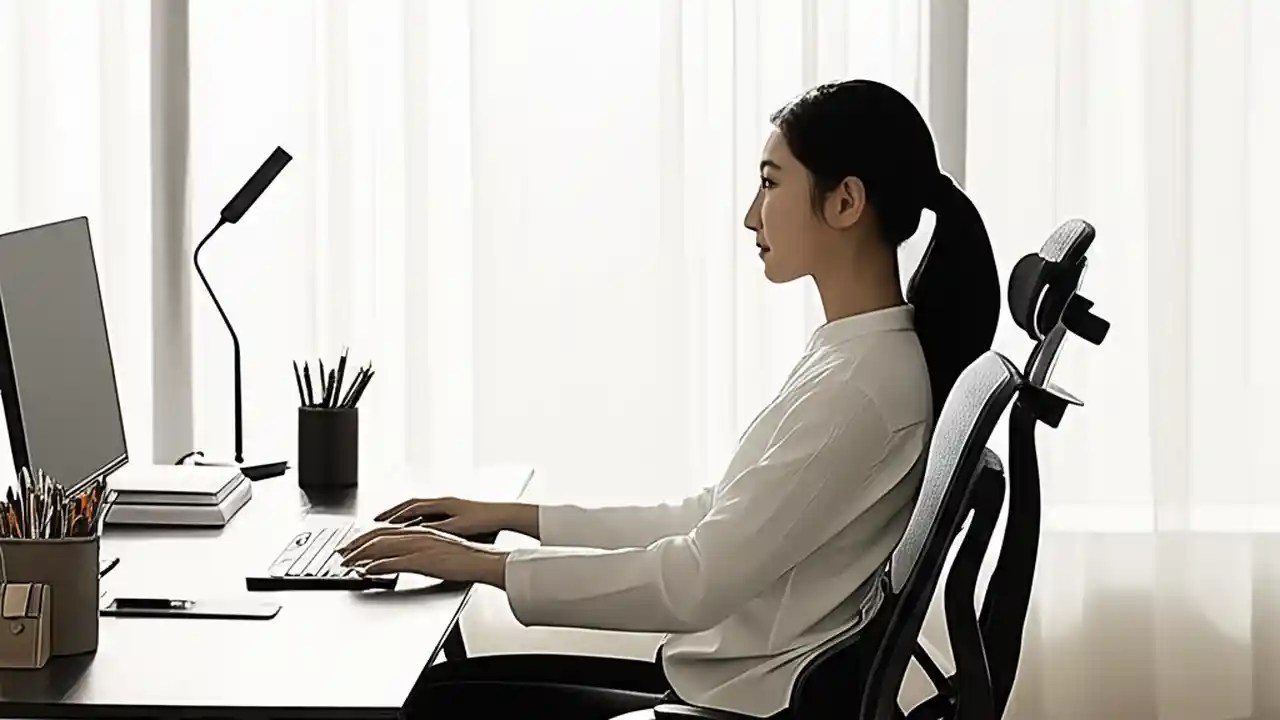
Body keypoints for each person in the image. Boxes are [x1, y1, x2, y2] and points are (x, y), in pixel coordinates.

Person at [337, 79, 1000, 719]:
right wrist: (513, 516)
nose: (750, 215)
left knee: (432, 699)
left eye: (770, 184)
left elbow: (695, 582)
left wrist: (489, 565)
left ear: (845, 202)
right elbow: (711, 515)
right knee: (447, 688)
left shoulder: (862, 386)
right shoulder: (854, 355)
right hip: (723, 687)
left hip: (736, 706)